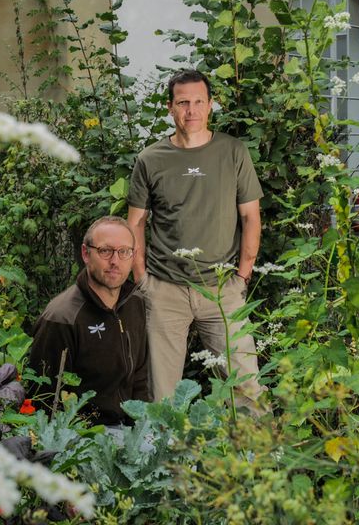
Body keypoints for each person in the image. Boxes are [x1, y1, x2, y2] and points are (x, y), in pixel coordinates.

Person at [126, 68, 267, 413]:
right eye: (183, 102)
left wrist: (242, 276)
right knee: (162, 396)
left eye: (198, 102)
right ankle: (167, 464)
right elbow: (136, 223)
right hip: (165, 290)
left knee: (246, 387)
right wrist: (142, 281)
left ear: (211, 106)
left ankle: (258, 462)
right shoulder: (150, 160)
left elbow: (251, 217)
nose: (191, 110)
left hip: (222, 289)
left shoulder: (233, 152)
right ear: (170, 108)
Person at [27, 216, 150, 425]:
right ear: (86, 253)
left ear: (133, 255)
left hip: (133, 428)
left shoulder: (135, 303)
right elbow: (44, 398)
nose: (115, 261)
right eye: (105, 251)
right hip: (84, 433)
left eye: (124, 252)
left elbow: (139, 378)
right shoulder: (62, 317)